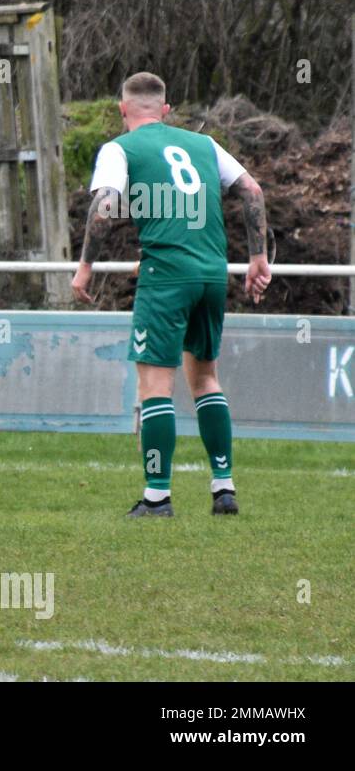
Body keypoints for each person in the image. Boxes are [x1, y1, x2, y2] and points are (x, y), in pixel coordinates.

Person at [70, 72, 272, 518]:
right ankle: (224, 488)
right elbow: (251, 190)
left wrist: (85, 266)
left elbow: (105, 203)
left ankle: (157, 496)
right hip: (211, 273)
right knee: (205, 379)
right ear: (165, 110)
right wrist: (258, 257)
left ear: (123, 110)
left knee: (155, 386)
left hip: (165, 277)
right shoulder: (203, 144)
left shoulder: (119, 148)